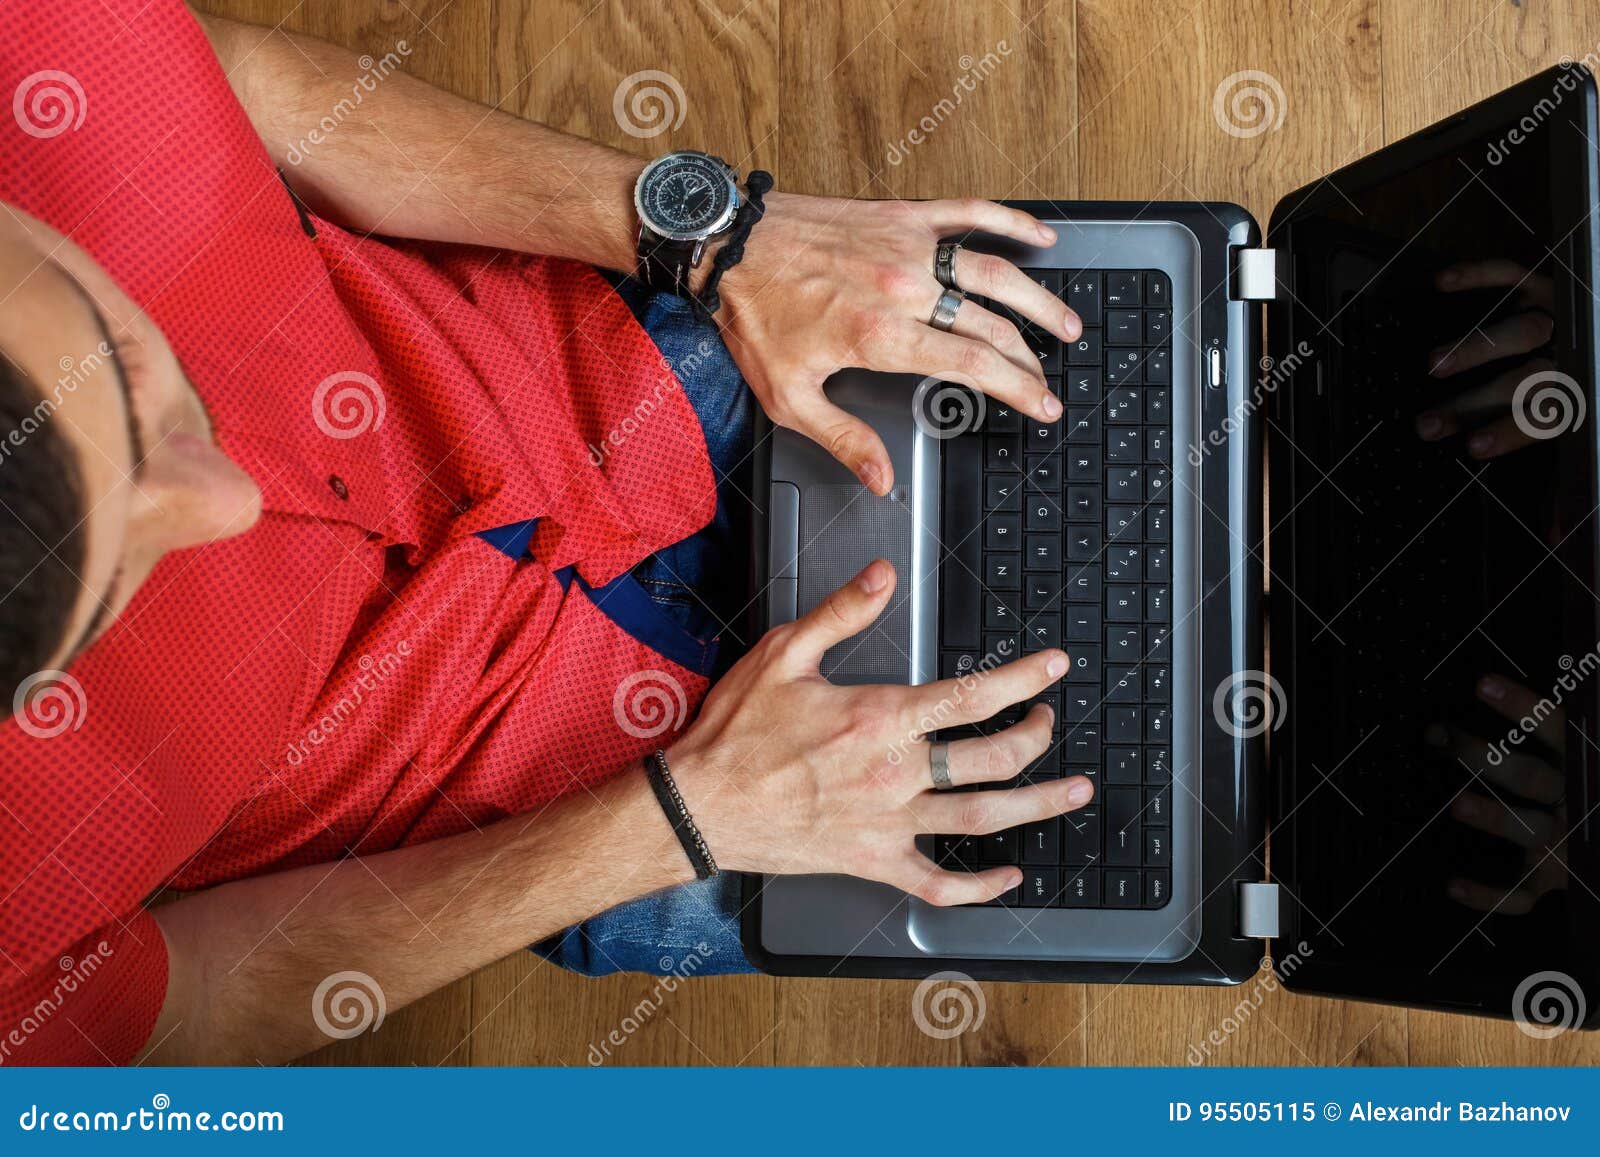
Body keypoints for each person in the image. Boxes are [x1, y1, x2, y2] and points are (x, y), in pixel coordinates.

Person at [0, 2, 1092, 1064]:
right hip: (562, 813)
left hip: (599, 375)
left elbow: (240, 89)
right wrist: (686, 815)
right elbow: (190, 1007)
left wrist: (706, 234)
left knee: (1128, 389)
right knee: (1139, 839)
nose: (228, 502)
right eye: (114, 598)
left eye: (132, 376)